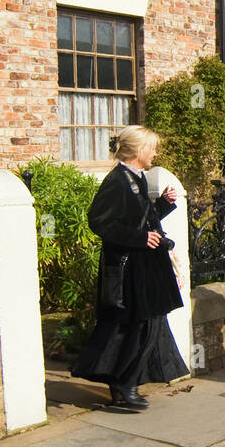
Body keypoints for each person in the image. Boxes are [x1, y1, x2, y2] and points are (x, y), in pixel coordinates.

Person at [72, 125, 189, 409]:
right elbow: (99, 221)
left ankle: (122, 383)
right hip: (130, 272)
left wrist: (162, 205)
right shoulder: (118, 180)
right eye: (152, 148)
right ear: (138, 151)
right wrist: (139, 238)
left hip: (144, 268)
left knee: (141, 327)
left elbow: (138, 219)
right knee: (137, 327)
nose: (155, 153)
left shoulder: (135, 178)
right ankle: (125, 383)